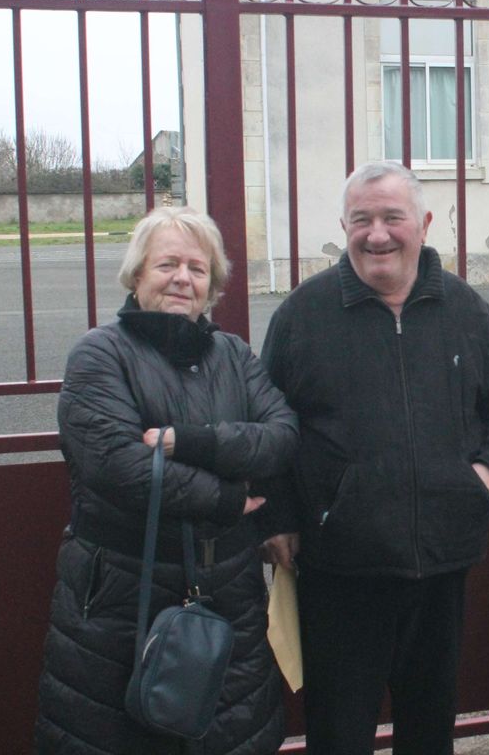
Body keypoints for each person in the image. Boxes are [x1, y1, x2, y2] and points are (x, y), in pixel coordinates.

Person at [257, 161, 489, 755]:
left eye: (391, 218)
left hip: (441, 566)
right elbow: (268, 426)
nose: (376, 234)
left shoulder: (465, 311)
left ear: (424, 224)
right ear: (344, 226)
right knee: (338, 732)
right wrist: (276, 515)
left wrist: (483, 478)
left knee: (429, 729)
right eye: (362, 220)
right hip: (340, 568)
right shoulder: (303, 316)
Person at [35, 207, 299, 754]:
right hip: (119, 598)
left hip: (228, 589)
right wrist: (227, 498)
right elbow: (116, 465)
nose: (183, 278)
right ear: (137, 275)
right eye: (167, 264)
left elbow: (280, 438)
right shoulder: (100, 354)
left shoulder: (234, 354)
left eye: (197, 269)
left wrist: (191, 442)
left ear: (212, 285)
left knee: (229, 734)